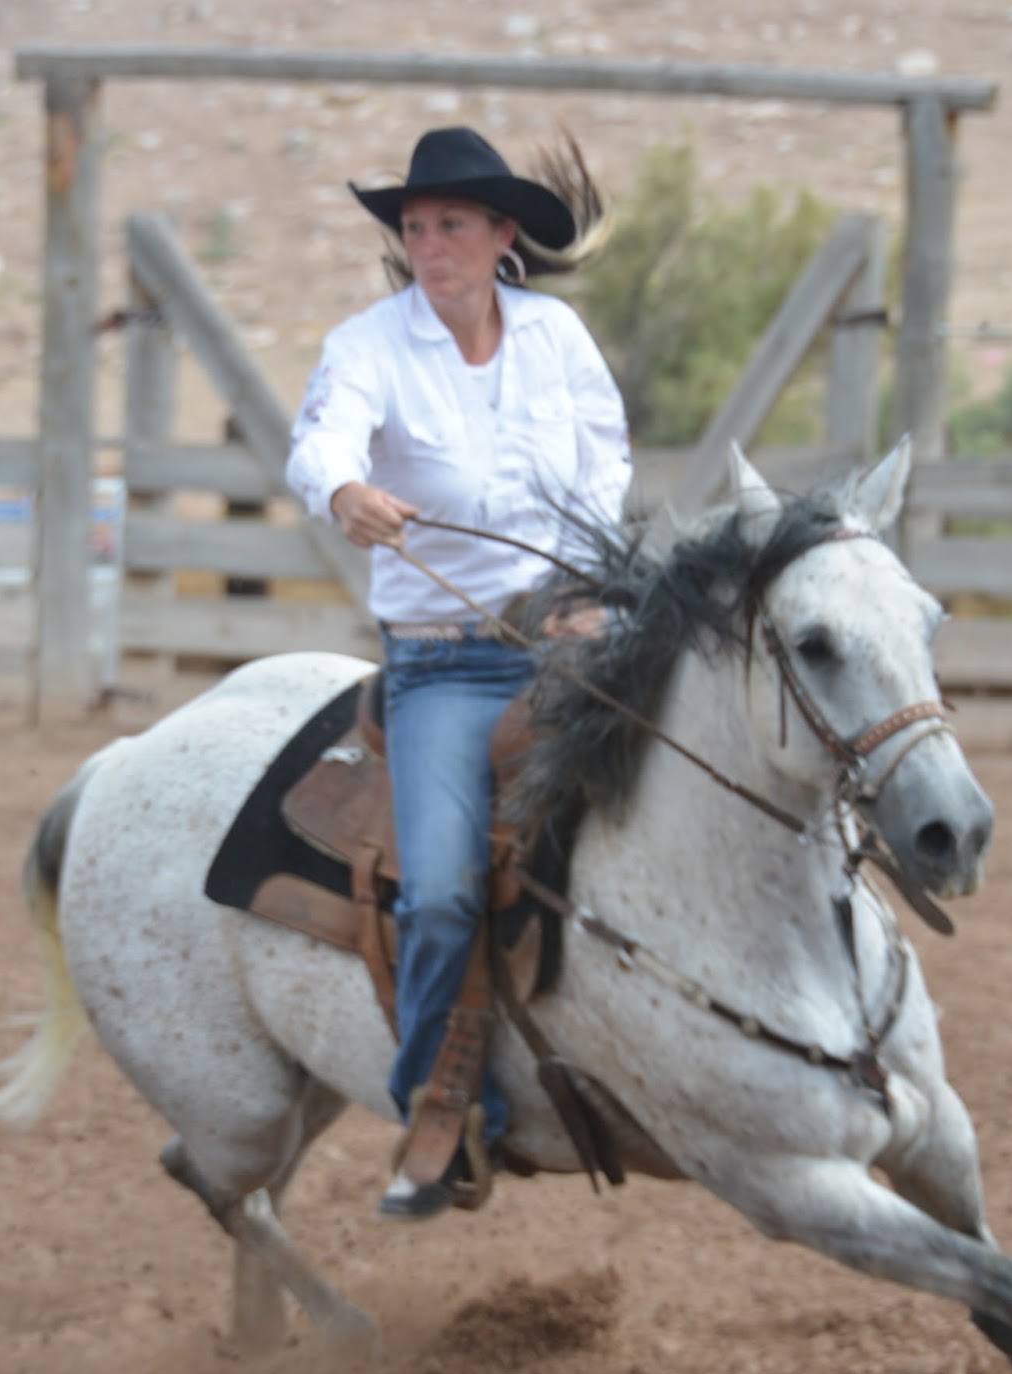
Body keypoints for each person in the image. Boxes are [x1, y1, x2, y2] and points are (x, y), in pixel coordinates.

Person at [286, 125, 632, 1219]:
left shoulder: (559, 337)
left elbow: (607, 462)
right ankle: (444, 1104)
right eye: (416, 226)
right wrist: (344, 494)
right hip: (442, 666)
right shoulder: (367, 346)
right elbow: (322, 441)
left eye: (452, 224)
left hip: (566, 636)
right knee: (438, 892)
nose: (430, 243)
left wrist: (587, 586)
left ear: (501, 235)